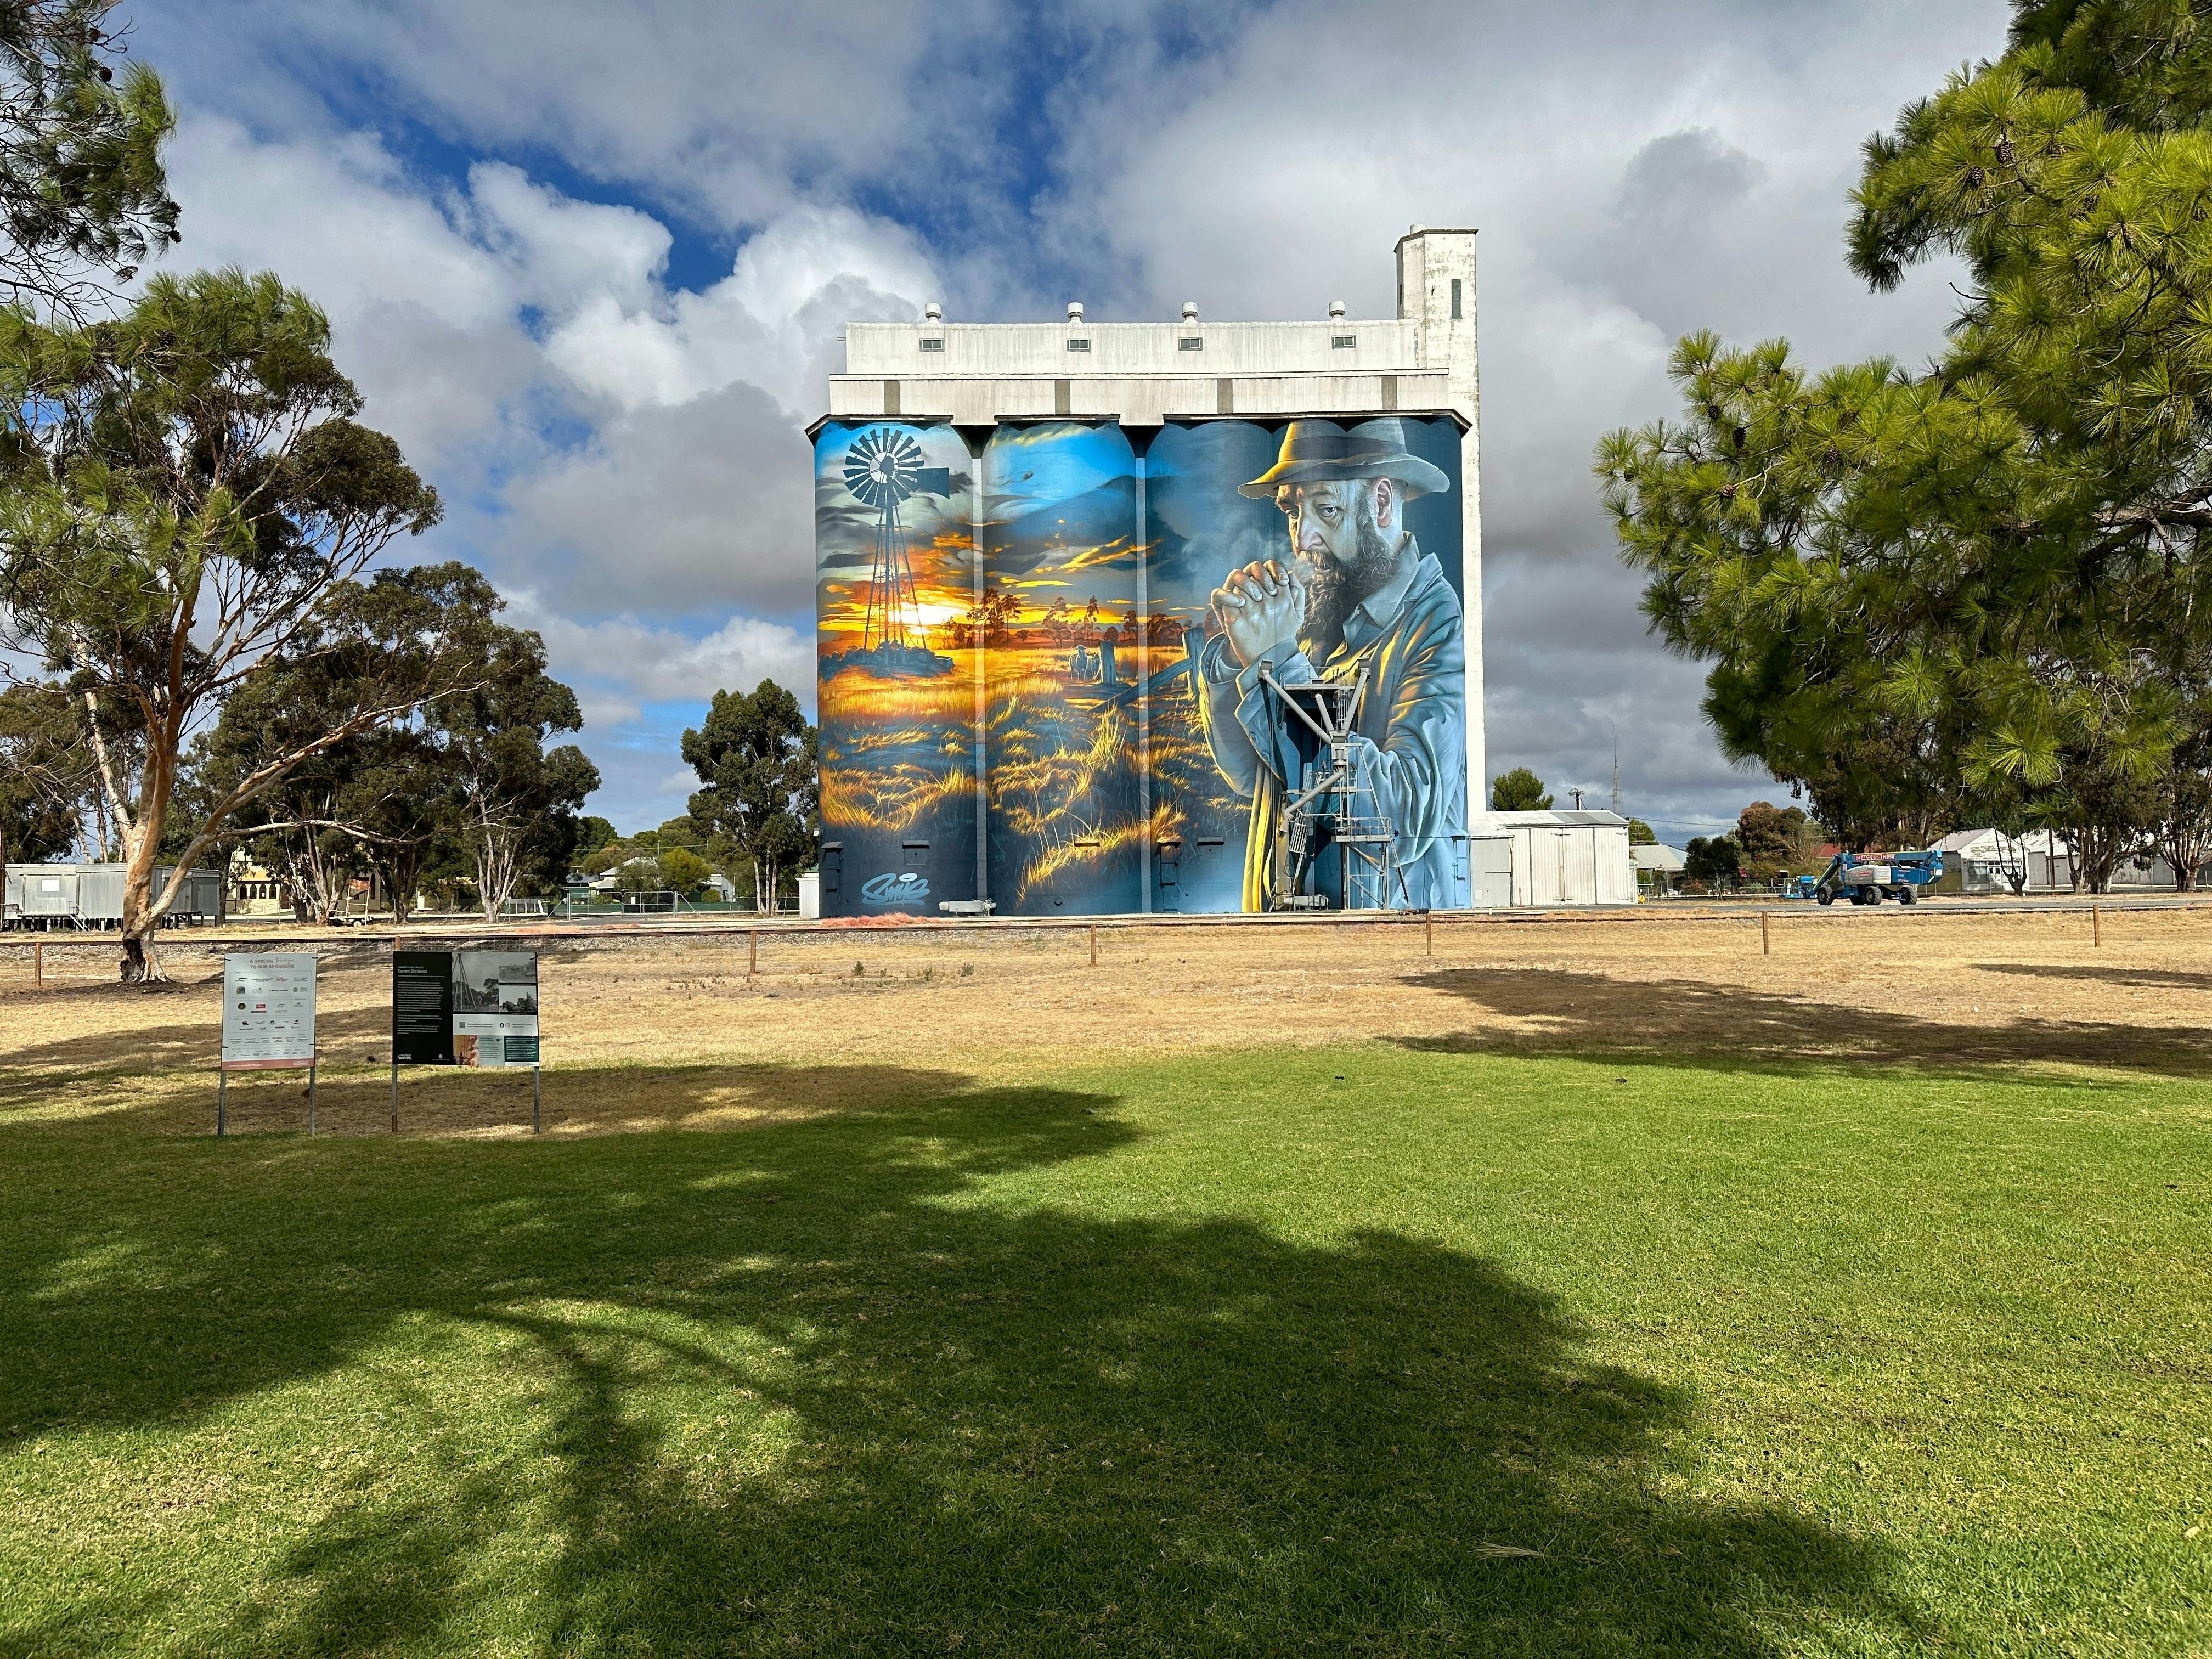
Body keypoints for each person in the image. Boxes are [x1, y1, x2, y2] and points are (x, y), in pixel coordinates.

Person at [1197, 417, 1468, 909]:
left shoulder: (1433, 618)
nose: (1303, 540)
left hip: (1385, 940)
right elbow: (1248, 773)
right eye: (1293, 511)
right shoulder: (1317, 610)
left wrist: (1278, 662)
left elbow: (1408, 809)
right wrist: (1238, 660)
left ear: (1381, 502)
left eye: (1325, 508)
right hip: (1284, 927)